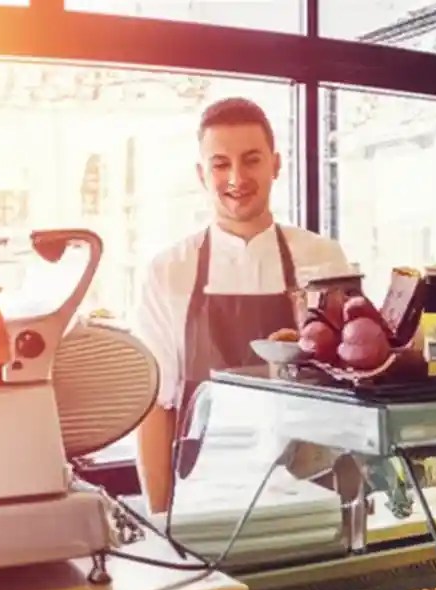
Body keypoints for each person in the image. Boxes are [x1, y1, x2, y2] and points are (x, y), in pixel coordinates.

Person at [134, 97, 350, 514]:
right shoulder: (168, 271)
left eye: (251, 160)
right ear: (202, 174)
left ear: (276, 164)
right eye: (220, 164)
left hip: (311, 493)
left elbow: (349, 383)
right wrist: (161, 518)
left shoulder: (323, 258)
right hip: (204, 500)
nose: (236, 178)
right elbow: (155, 407)